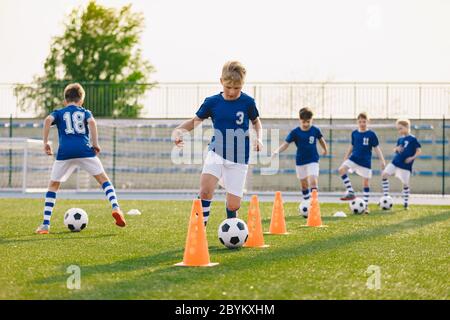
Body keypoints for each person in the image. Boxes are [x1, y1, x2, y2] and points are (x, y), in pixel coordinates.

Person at [172, 61, 263, 226]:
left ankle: (230, 220)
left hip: (239, 157)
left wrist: (259, 137)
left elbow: (257, 122)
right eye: (228, 87)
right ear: (221, 81)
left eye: (237, 88)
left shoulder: (248, 102)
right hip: (217, 152)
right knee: (205, 191)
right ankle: (199, 232)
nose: (232, 92)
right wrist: (179, 130)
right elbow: (195, 121)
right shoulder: (212, 102)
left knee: (233, 205)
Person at [35, 83, 126, 234]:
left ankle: (45, 225)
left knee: (53, 186)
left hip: (65, 153)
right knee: (104, 180)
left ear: (65, 100)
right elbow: (92, 123)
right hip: (84, 150)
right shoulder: (85, 112)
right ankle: (116, 208)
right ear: (81, 100)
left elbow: (46, 121)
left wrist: (45, 143)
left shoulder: (59, 112)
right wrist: (95, 144)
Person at [272, 107, 328, 203]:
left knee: (313, 180)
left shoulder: (315, 130)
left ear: (312, 120)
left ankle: (314, 203)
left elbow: (321, 140)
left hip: (313, 159)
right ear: (300, 120)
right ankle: (306, 202)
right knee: (304, 184)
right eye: (303, 122)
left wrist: (325, 149)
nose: (306, 124)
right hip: (300, 161)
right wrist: (277, 151)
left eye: (308, 121)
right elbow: (286, 144)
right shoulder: (295, 132)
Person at [338, 112, 386, 213]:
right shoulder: (354, 133)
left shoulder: (371, 134)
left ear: (368, 122)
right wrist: (346, 158)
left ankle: (366, 206)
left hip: (365, 162)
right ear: (357, 122)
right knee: (341, 169)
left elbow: (377, 148)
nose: (362, 123)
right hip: (354, 158)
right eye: (360, 122)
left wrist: (382, 160)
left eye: (364, 121)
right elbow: (351, 146)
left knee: (366, 183)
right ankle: (351, 192)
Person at [381, 119, 421, 210]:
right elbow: (395, 149)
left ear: (407, 127)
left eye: (400, 128)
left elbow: (419, 151)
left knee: (405, 184)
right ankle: (386, 198)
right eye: (398, 129)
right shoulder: (400, 139)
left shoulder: (413, 139)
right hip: (395, 162)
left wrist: (411, 158)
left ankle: (406, 204)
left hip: (405, 165)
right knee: (384, 175)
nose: (399, 131)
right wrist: (396, 149)